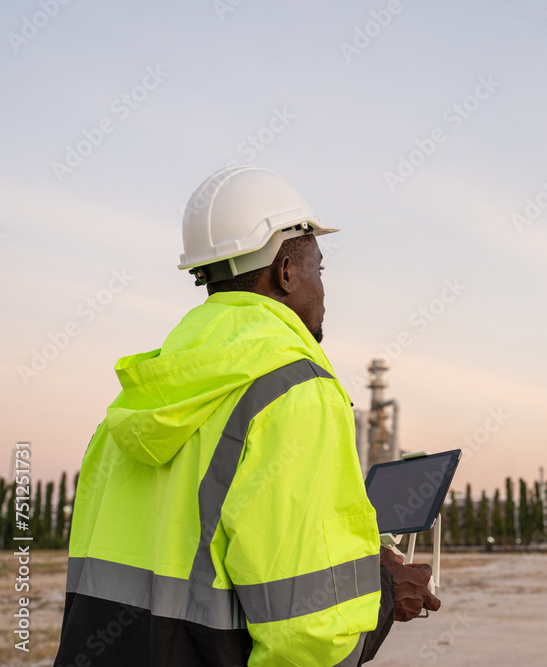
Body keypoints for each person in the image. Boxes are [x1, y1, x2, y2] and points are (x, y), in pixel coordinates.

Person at [54, 165, 440, 667]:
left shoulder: (130, 405)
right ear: (286, 270)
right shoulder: (295, 390)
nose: (323, 290)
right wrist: (387, 592)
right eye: (319, 270)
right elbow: (311, 637)